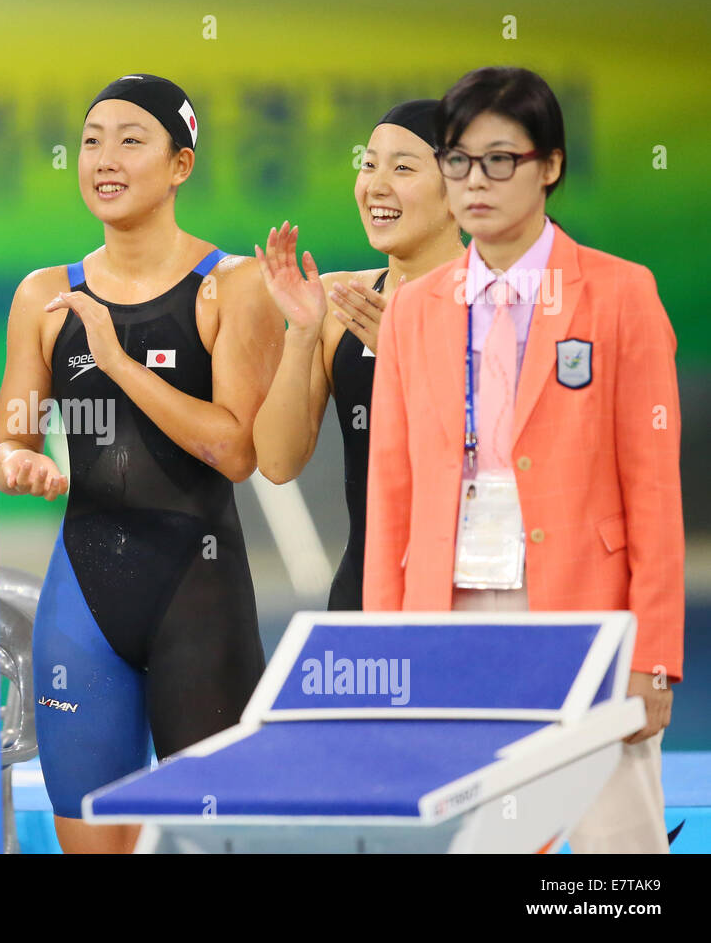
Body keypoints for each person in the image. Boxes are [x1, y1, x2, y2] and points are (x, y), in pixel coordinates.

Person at [364, 67, 683, 852]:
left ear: (551, 166)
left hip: (585, 605)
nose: (477, 181)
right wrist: (385, 650)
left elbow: (653, 487)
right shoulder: (414, 306)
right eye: (458, 160)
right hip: (453, 608)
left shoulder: (620, 293)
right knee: (480, 834)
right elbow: (391, 493)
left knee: (617, 853)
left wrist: (653, 657)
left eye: (501, 159)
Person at [0, 74, 282, 854]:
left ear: (180, 165)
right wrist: (20, 464)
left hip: (201, 595)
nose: (104, 159)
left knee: (211, 843)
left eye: (131, 140)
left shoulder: (231, 287)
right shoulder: (45, 295)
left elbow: (234, 448)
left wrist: (118, 362)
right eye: (91, 142)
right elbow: (13, 435)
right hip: (83, 598)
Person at [252, 99, 465, 610]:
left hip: (469, 594)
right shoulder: (338, 302)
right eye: (368, 164)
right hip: (365, 592)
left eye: (403, 168)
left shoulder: (494, 300)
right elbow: (277, 462)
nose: (377, 185)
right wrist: (302, 333)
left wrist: (407, 359)